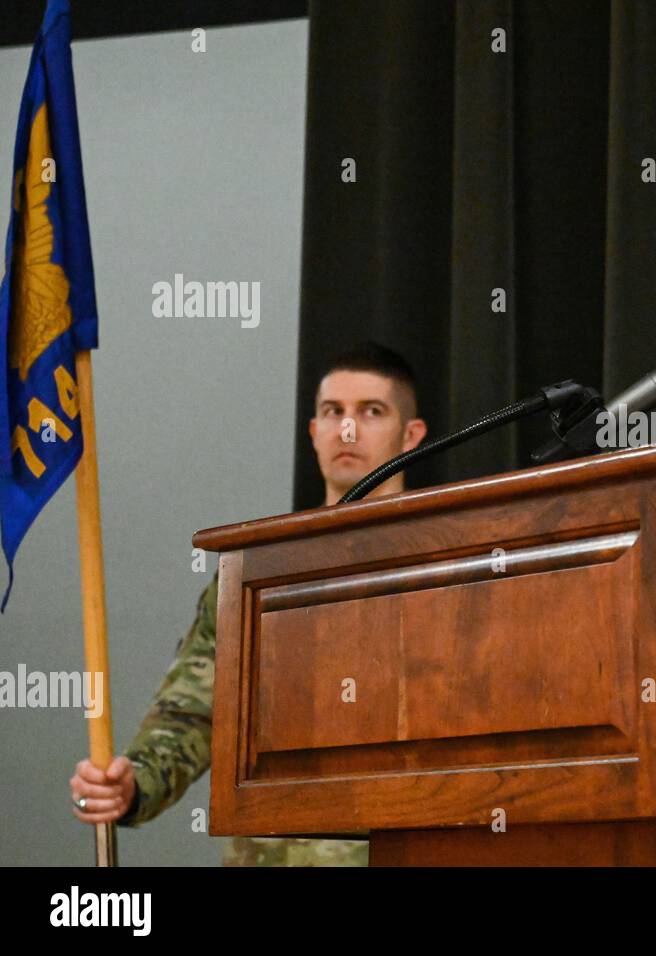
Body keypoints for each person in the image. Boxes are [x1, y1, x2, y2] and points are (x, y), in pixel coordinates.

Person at [69, 342, 428, 866]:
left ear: (411, 435)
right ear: (313, 432)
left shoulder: (448, 567)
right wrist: (132, 785)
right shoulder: (257, 574)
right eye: (333, 413)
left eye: (371, 412)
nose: (347, 430)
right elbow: (194, 711)